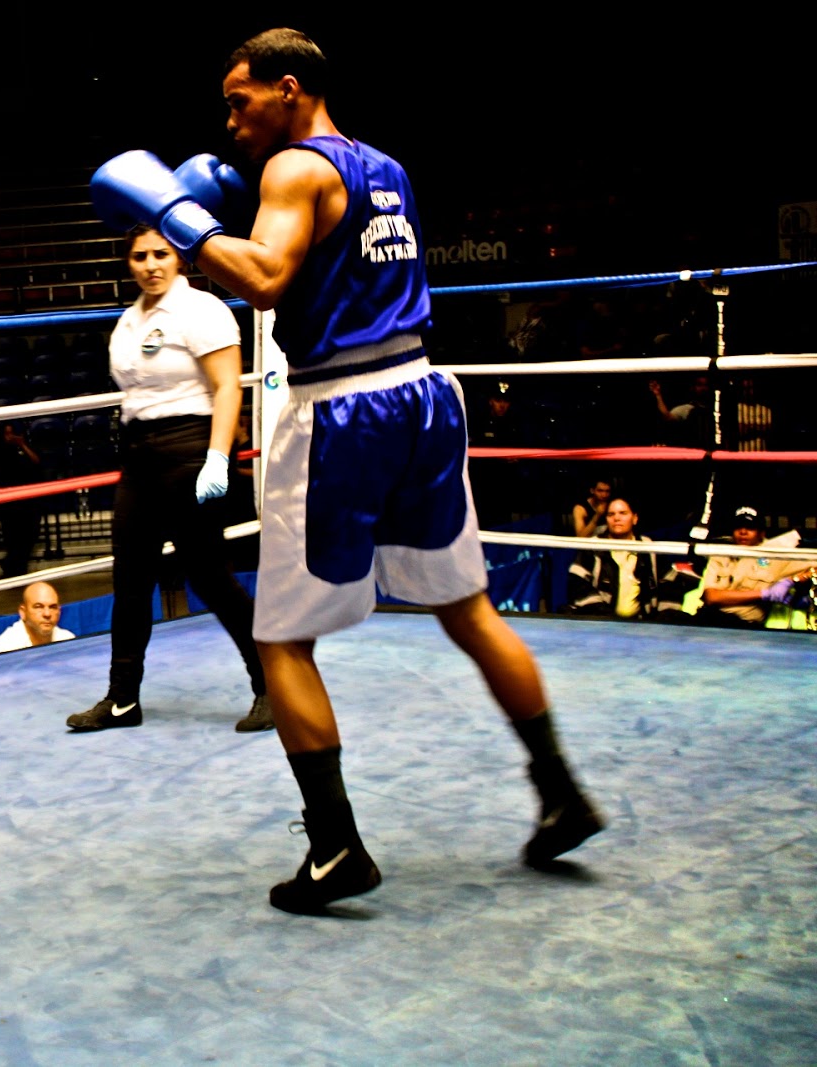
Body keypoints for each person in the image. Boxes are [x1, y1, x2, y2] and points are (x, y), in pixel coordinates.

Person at [88, 27, 601, 910]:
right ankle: (560, 792)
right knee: (468, 609)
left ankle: (335, 849)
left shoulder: (295, 168)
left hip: (342, 409)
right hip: (423, 393)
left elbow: (266, 278)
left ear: (289, 89)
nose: (231, 120)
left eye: (240, 100)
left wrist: (175, 214)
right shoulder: (385, 166)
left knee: (281, 639)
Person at [63, 224, 271, 735]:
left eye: (161, 253)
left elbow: (226, 389)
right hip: (138, 456)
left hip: (189, 450)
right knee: (129, 582)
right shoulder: (129, 322)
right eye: (140, 256)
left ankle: (272, 686)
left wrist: (219, 458)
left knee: (211, 580)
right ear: (128, 263)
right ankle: (121, 700)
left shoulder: (202, 310)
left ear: (179, 257)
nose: (151, 264)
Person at [692, 505, 810, 629]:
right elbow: (711, 597)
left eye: (750, 527)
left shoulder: (776, 555)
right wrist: (765, 594)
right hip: (707, 619)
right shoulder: (720, 554)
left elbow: (814, 568)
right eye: (738, 527)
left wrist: (793, 580)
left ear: (761, 533)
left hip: (744, 626)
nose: (743, 532)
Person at [566, 496, 661, 617]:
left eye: (623, 513)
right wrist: (605, 618)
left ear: (635, 518)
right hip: (600, 624)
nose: (616, 518)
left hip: (642, 625)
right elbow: (577, 584)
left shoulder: (649, 548)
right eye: (611, 514)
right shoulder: (593, 547)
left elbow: (668, 583)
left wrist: (664, 617)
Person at [0, 420, 45, 579]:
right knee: (12, 536)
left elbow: (37, 462)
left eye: (12, 433)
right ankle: (15, 569)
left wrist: (22, 445)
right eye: (7, 433)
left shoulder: (25, 447)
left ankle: (12, 564)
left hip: (27, 497)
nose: (10, 437)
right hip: (8, 499)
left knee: (31, 533)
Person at [0, 580, 76, 654]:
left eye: (52, 607)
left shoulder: (68, 640)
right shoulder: (4, 648)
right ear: (23, 612)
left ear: (59, 611)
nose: (47, 614)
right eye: (38, 607)